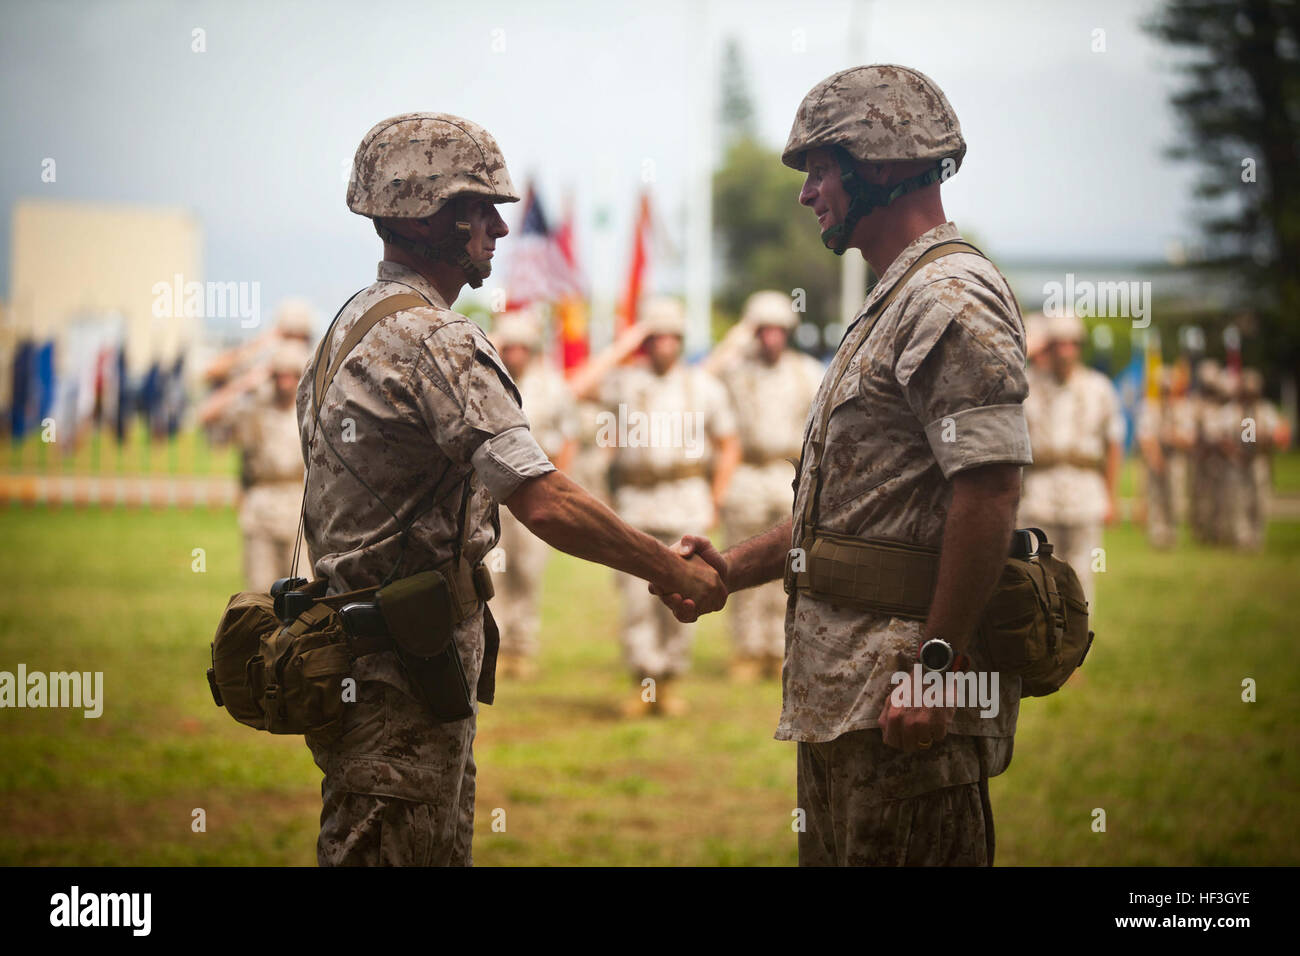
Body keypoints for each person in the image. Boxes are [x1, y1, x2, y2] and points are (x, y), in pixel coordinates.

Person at [300, 112, 724, 866]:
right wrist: (672, 569)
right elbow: (546, 499)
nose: (497, 228)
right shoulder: (440, 340)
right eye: (479, 208)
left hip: (359, 656)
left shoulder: (351, 323)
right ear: (431, 217)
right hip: (404, 670)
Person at [657, 65, 1031, 866]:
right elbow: (851, 518)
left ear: (884, 164)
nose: (806, 193)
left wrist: (936, 669)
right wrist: (730, 568)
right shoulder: (891, 301)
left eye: (820, 170)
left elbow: (991, 487)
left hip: (905, 698)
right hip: (847, 702)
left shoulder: (950, 296)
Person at [571, 297, 741, 716]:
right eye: (656, 337)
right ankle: (643, 683)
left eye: (671, 336)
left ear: (681, 341)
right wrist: (628, 338)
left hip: (685, 501)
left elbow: (729, 443)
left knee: (686, 595)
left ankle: (670, 683)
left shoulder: (703, 385)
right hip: (636, 504)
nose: (664, 344)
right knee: (637, 600)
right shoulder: (626, 382)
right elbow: (576, 385)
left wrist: (716, 498)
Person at [713, 290, 822, 681]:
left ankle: (778, 649)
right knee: (739, 562)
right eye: (763, 329)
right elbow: (702, 376)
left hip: (788, 473)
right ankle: (746, 648)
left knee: (788, 567)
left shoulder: (805, 371)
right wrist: (739, 332)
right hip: (746, 472)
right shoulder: (736, 369)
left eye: (778, 329)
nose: (771, 338)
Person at [488, 309, 578, 679]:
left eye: (524, 347)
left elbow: (568, 437)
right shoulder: (487, 382)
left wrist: (561, 485)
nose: (517, 354)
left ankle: (522, 647)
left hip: (536, 493)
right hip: (493, 498)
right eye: (510, 347)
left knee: (527, 572)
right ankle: (495, 647)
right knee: (492, 573)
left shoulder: (551, 386)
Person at [1018, 311, 1124, 605]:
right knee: (1037, 579)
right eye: (1057, 343)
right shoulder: (1026, 387)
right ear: (1047, 347)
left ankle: (1078, 648)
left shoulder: (1099, 388)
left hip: (1085, 494)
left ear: (1080, 347)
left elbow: (1114, 444)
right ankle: (1042, 648)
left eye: (1072, 343)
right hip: (1039, 495)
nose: (1065, 351)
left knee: (1081, 580)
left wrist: (1111, 499)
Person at [198, 339, 311, 590]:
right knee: (260, 596)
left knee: (304, 596)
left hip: (299, 511)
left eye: (292, 375)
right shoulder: (255, 408)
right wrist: (246, 381)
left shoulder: (311, 410)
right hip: (260, 510)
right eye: (279, 374)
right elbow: (206, 414)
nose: (285, 382)